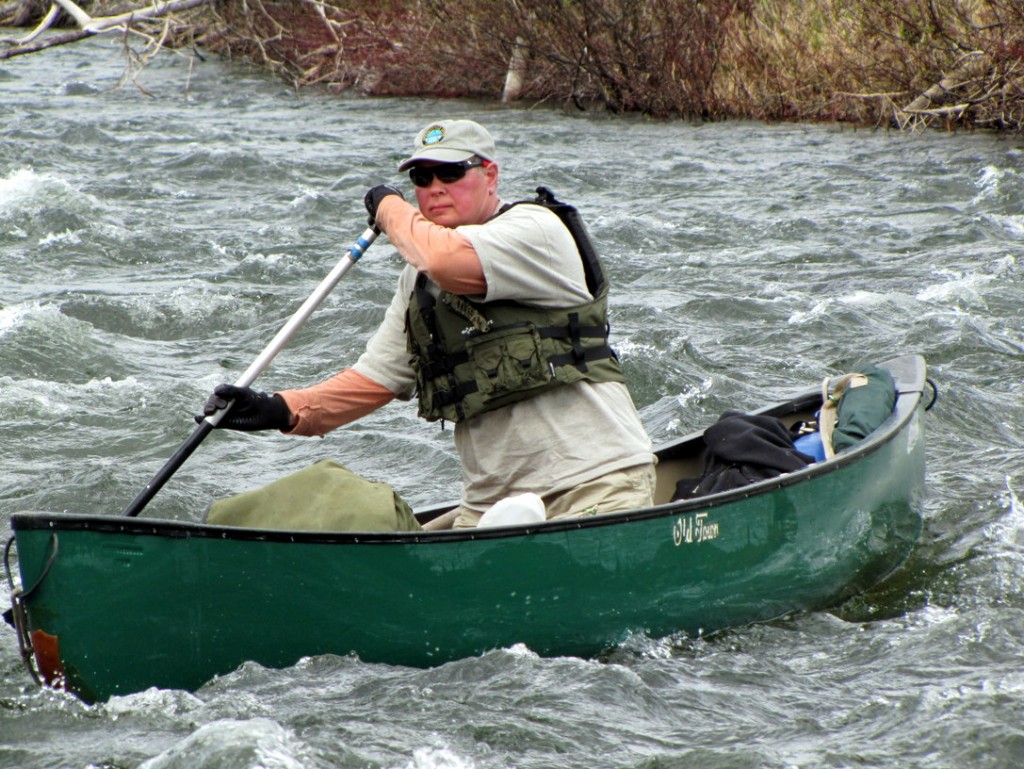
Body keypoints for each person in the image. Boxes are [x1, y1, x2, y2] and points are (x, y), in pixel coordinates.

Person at [201, 119, 657, 529]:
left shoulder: (534, 229)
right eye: (422, 178)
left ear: (490, 175)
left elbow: (444, 258)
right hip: (490, 503)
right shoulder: (418, 280)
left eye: (451, 173)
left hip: (592, 483)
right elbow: (375, 380)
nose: (435, 188)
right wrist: (277, 409)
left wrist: (389, 207)